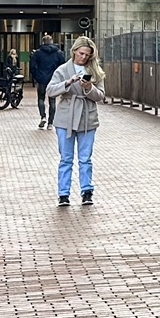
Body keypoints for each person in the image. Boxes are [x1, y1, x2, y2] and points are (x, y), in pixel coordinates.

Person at [46, 37, 105, 207]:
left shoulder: (95, 70)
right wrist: (68, 82)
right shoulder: (63, 69)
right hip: (66, 117)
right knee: (66, 158)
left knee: (85, 158)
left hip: (88, 117)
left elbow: (100, 95)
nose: (84, 57)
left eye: (87, 55)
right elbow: (50, 91)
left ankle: (87, 191)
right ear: (74, 52)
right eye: (81, 54)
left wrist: (88, 87)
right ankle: (63, 194)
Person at [30, 35, 66, 130]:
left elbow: (32, 67)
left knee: (41, 98)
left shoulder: (38, 53)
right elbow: (63, 66)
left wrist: (37, 76)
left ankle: (43, 116)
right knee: (52, 100)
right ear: (52, 41)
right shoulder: (58, 53)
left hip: (41, 78)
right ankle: (51, 123)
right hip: (54, 79)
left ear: (43, 42)